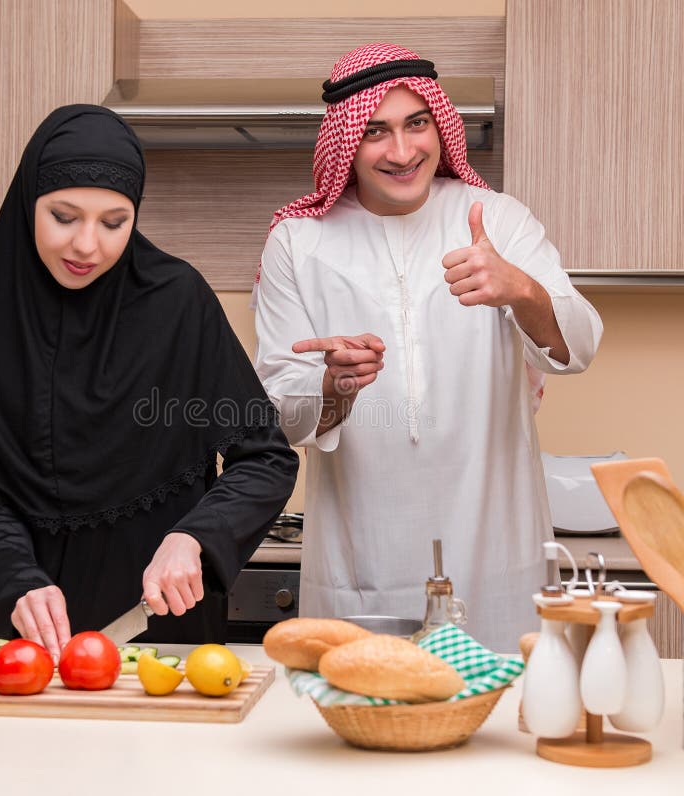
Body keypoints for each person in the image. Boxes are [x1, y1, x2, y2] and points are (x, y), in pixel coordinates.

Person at [0, 105, 298, 660]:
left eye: (113, 223)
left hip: (163, 633)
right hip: (26, 637)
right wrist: (17, 578)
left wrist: (194, 537)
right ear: (28, 203)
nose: (87, 246)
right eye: (64, 217)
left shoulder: (178, 304)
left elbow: (265, 459)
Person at [252, 44, 603, 651]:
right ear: (345, 142)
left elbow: (579, 346)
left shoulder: (497, 220)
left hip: (497, 561)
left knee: (500, 704)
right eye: (374, 131)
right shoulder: (297, 242)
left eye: (416, 123)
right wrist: (332, 387)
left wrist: (520, 288)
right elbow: (281, 411)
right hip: (362, 565)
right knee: (368, 703)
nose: (402, 151)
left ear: (440, 124)